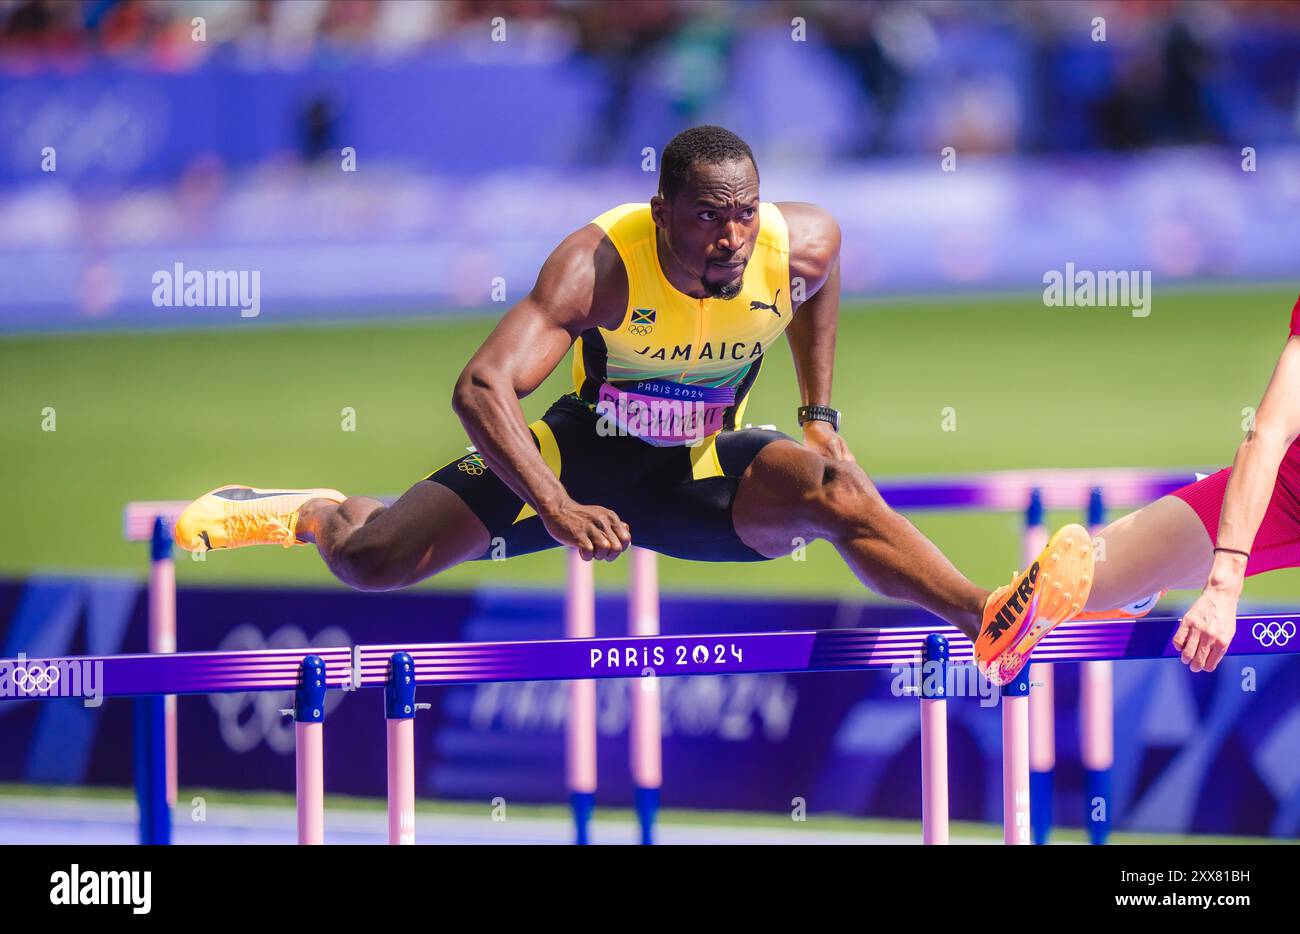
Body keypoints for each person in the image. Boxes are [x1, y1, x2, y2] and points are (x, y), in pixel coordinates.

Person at [171, 125, 1093, 685]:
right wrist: (556, 505)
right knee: (374, 561)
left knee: (833, 493)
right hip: (584, 457)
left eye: (743, 212)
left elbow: (822, 281)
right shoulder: (599, 263)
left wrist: (822, 411)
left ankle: (988, 619)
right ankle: (306, 512)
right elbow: (480, 387)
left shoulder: (799, 243)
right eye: (705, 217)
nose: (729, 237)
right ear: (662, 209)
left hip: (698, 465)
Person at [1080, 293, 1300, 674]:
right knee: (1082, 581)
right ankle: (1150, 580)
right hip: (1288, 491)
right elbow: (1267, 434)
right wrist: (1222, 588)